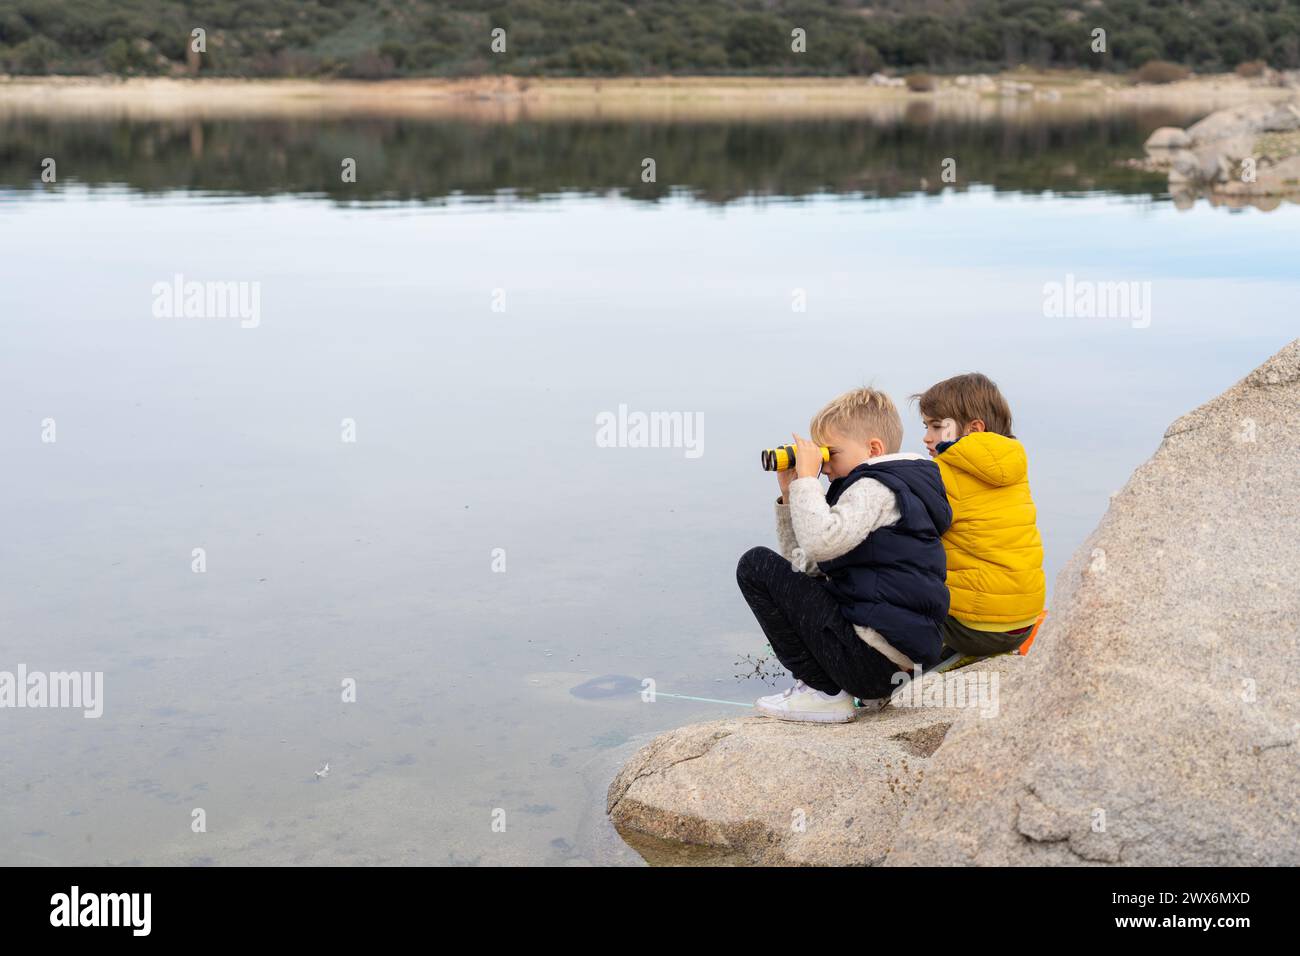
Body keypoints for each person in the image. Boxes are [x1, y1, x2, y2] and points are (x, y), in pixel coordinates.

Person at [736, 387, 951, 723]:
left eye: (830, 453)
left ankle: (824, 693)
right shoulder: (892, 487)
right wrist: (792, 495)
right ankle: (836, 691)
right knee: (788, 577)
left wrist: (807, 483)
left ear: (873, 449)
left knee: (755, 565)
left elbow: (820, 542)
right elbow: (807, 567)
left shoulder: (874, 489)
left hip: (871, 661)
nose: (823, 466)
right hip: (887, 663)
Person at [913, 372, 1046, 662]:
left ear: (974, 429)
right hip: (1023, 623)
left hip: (976, 628)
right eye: (926, 426)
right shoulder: (1014, 468)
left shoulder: (944, 473)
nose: (926, 437)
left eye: (936, 427)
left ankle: (893, 671)